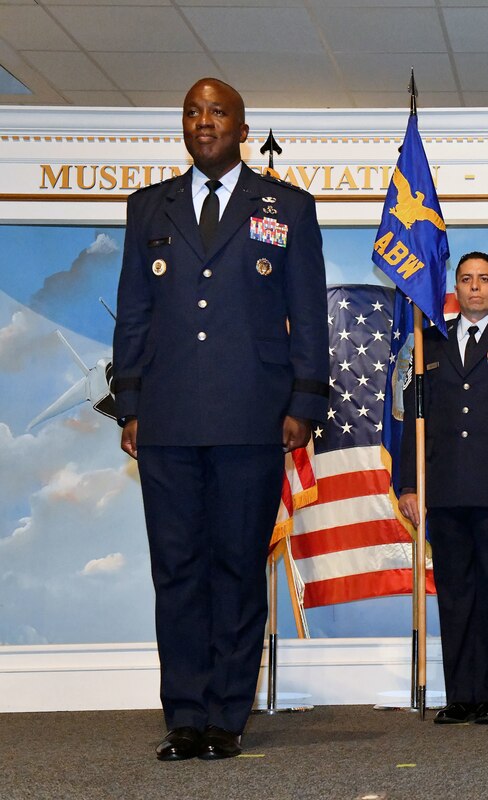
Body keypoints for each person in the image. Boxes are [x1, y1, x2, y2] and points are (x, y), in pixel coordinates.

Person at [112, 78, 328, 761]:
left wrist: (303, 403)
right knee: (177, 570)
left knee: (236, 567)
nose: (203, 121)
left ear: (241, 128)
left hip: (251, 416)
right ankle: (184, 714)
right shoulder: (149, 207)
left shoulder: (287, 206)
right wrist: (130, 405)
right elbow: (134, 312)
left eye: (218, 112)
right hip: (169, 417)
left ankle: (226, 716)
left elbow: (309, 315)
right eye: (193, 112)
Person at [397, 251, 488, 725]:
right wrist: (409, 483)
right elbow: (414, 420)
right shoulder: (429, 342)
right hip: (446, 485)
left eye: (484, 279)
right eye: (466, 279)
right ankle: (459, 694)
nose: (475, 287)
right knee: (455, 593)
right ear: (454, 289)